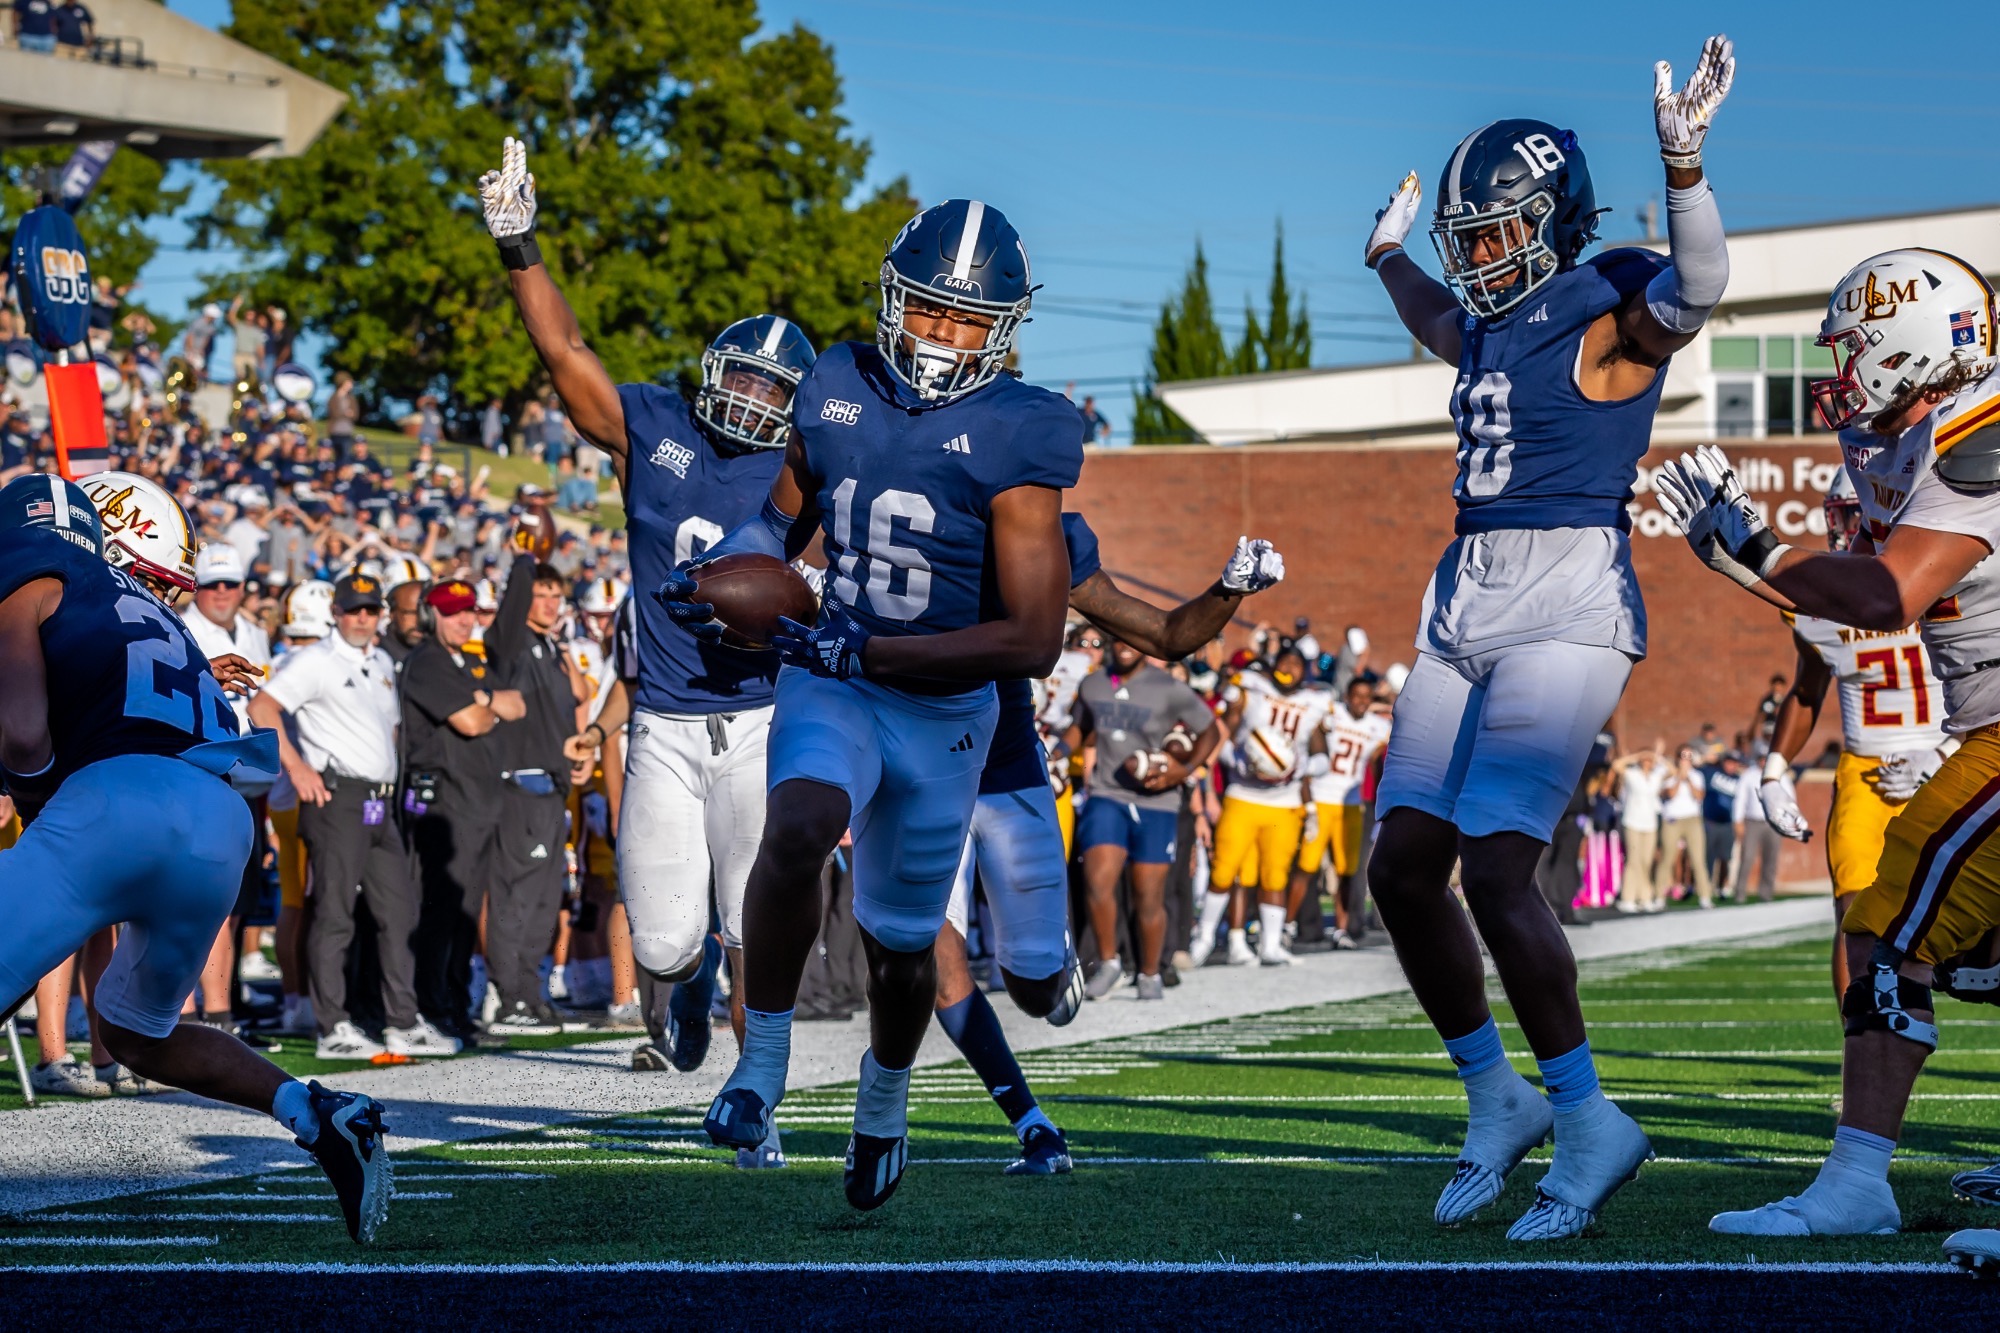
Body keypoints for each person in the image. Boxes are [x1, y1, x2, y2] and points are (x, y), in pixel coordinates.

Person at [1359, 36, 1735, 1240]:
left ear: (1551, 223)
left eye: (1488, 232)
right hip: (1462, 593)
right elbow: (1431, 314)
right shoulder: (1482, 324)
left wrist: (1680, 165)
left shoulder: (1601, 310)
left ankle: (1585, 1117)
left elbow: (1700, 287)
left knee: (1496, 864)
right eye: (1460, 236)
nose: (1468, 256)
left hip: (1567, 595)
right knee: (1399, 865)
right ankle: (1496, 1096)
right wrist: (1382, 258)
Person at [658, 195, 1083, 1211]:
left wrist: (877, 643)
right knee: (798, 822)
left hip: (943, 709)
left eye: (965, 319)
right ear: (894, 298)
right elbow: (778, 523)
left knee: (901, 951)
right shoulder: (837, 381)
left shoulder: (1024, 431)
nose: (940, 337)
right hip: (834, 680)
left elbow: (1033, 639)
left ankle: (883, 1094)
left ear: (1004, 329)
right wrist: (732, 571)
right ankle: (760, 1068)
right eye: (927, 310)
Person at [1653, 248, 2000, 1269]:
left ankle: (1852, 1187)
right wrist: (1742, 562)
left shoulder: (1976, 430)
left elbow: (1886, 595)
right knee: (1970, 951)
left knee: (1882, 931)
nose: (1841, 372)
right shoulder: (1923, 431)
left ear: (1908, 346)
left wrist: (1757, 549)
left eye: (1854, 349)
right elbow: (1850, 599)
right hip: (1978, 725)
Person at [479, 137, 817, 1167]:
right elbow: (566, 355)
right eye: (743, 383)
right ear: (714, 372)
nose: (753, 405)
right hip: (665, 720)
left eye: (774, 394)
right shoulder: (657, 425)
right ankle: (682, 994)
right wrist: (518, 246)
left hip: (759, 717)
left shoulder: (798, 472)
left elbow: (822, 567)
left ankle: (755, 1098)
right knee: (666, 943)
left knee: (759, 924)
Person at [0, 474, 391, 1244]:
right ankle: (314, 1112)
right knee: (139, 1029)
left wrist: (40, 801)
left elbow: (20, 733)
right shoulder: (149, 610)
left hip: (117, 799)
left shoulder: (33, 571)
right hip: (217, 822)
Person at [936, 515, 1280, 1169]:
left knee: (1035, 989)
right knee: (919, 956)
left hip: (1005, 767)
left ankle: (1064, 967)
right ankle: (1006, 1121)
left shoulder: (1046, 534)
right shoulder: (883, 505)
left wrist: (1227, 588)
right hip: (917, 766)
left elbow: (1166, 632)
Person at [1757, 472, 1949, 998]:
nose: (1849, 529)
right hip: (1864, 771)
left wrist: (1946, 749)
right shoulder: (1818, 600)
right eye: (1842, 514)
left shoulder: (1945, 569)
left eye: (1858, 514)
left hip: (1950, 764)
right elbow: (1806, 688)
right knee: (1855, 916)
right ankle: (1862, 1048)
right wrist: (1774, 772)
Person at [253, 573, 457, 1059]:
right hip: (337, 797)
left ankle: (401, 1021)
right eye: (354, 610)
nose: (363, 618)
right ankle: (332, 1027)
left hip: (379, 801)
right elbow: (263, 706)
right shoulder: (316, 660)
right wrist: (298, 767)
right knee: (335, 914)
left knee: (398, 911)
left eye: (370, 610)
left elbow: (387, 731)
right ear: (337, 614)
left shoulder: (382, 659)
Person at [400, 578, 525, 1045]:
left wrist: (483, 701)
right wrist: (486, 703)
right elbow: (474, 722)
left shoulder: (464, 660)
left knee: (465, 912)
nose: (465, 619)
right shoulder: (429, 661)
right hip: (444, 803)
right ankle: (433, 1008)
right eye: (453, 612)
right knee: (439, 910)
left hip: (475, 801)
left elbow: (516, 705)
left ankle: (453, 1007)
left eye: (470, 610)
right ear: (432, 617)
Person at [1070, 634, 1226, 992]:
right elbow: (1081, 726)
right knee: (1097, 880)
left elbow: (1211, 731)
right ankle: (1109, 962)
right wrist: (1060, 750)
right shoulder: (1094, 683)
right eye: (1118, 637)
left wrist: (1184, 771)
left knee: (1149, 896)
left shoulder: (1167, 686)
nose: (1125, 644)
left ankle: (1150, 971)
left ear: (1145, 645)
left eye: (1133, 638)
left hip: (1157, 802)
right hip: (1108, 793)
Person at [480, 555, 588, 1033]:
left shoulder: (550, 648)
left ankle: (531, 991)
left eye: (554, 595)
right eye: (538, 594)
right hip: (519, 787)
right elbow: (511, 607)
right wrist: (526, 555)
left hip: (552, 789)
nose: (547, 603)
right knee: (516, 899)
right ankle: (508, 999)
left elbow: (578, 699)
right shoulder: (510, 644)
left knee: (546, 900)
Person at [180, 544, 279, 1022]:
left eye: (231, 583)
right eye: (213, 583)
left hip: (250, 785)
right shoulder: (180, 628)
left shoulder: (255, 633)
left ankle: (224, 1005)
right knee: (201, 901)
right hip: (204, 777)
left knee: (238, 903)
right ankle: (192, 1012)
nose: (222, 592)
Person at [1196, 645, 1333, 967]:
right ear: (1273, 666)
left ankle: (1270, 945)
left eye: (1295, 664)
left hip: (1285, 802)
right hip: (1243, 794)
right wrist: (1235, 761)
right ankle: (1203, 937)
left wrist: (1299, 768)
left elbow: (1322, 757)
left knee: (1275, 875)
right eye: (1283, 662)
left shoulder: (1314, 703)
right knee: (1224, 869)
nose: (1289, 668)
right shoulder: (1251, 688)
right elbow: (1222, 733)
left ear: (1305, 669)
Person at [1293, 675, 1393, 948]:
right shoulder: (1332, 713)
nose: (1361, 701)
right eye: (1356, 695)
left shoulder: (1378, 726)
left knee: (1346, 870)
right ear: (1346, 696)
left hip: (1350, 805)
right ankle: (1287, 925)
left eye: (1366, 696)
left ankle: (1343, 929)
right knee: (1306, 866)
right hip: (1321, 797)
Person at [1658, 744, 1711, 908]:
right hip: (1672, 820)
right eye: (1683, 756)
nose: (1686, 760)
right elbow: (1670, 794)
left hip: (1692, 820)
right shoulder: (1668, 775)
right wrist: (1679, 777)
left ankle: (1705, 897)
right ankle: (1658, 897)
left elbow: (1699, 796)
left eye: (1689, 757)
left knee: (1698, 859)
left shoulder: (1697, 775)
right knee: (1667, 858)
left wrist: (1687, 779)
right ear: (1677, 757)